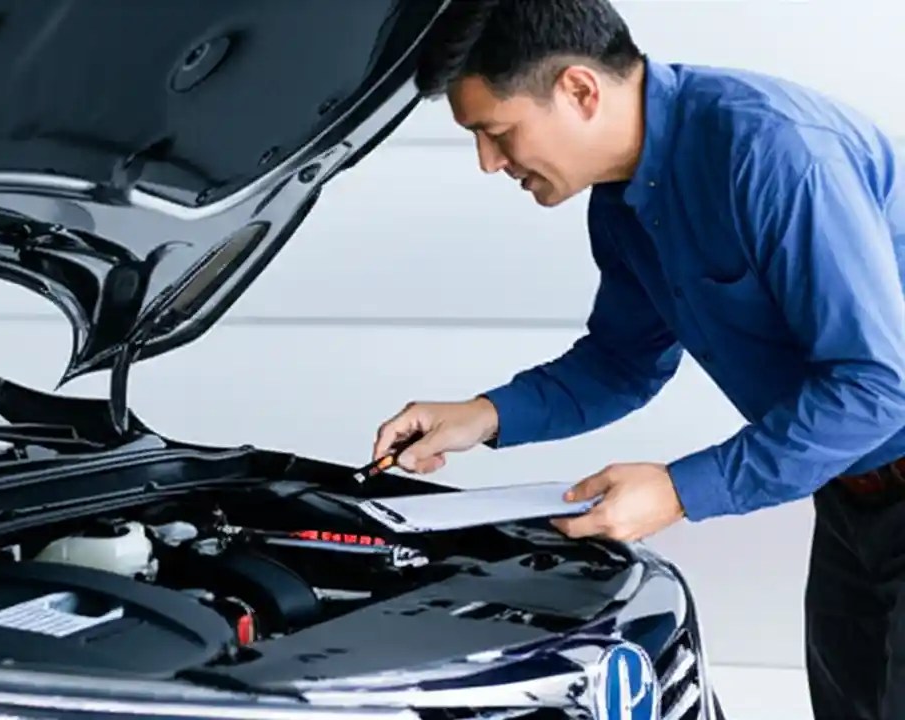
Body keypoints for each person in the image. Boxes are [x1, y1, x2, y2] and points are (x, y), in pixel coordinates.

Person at [369, 1, 905, 717]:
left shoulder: (774, 153)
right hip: (850, 496)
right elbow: (624, 362)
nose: (488, 163)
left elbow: (879, 385)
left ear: (580, 90)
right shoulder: (621, 203)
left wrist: (682, 490)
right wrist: (481, 416)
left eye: (496, 133)